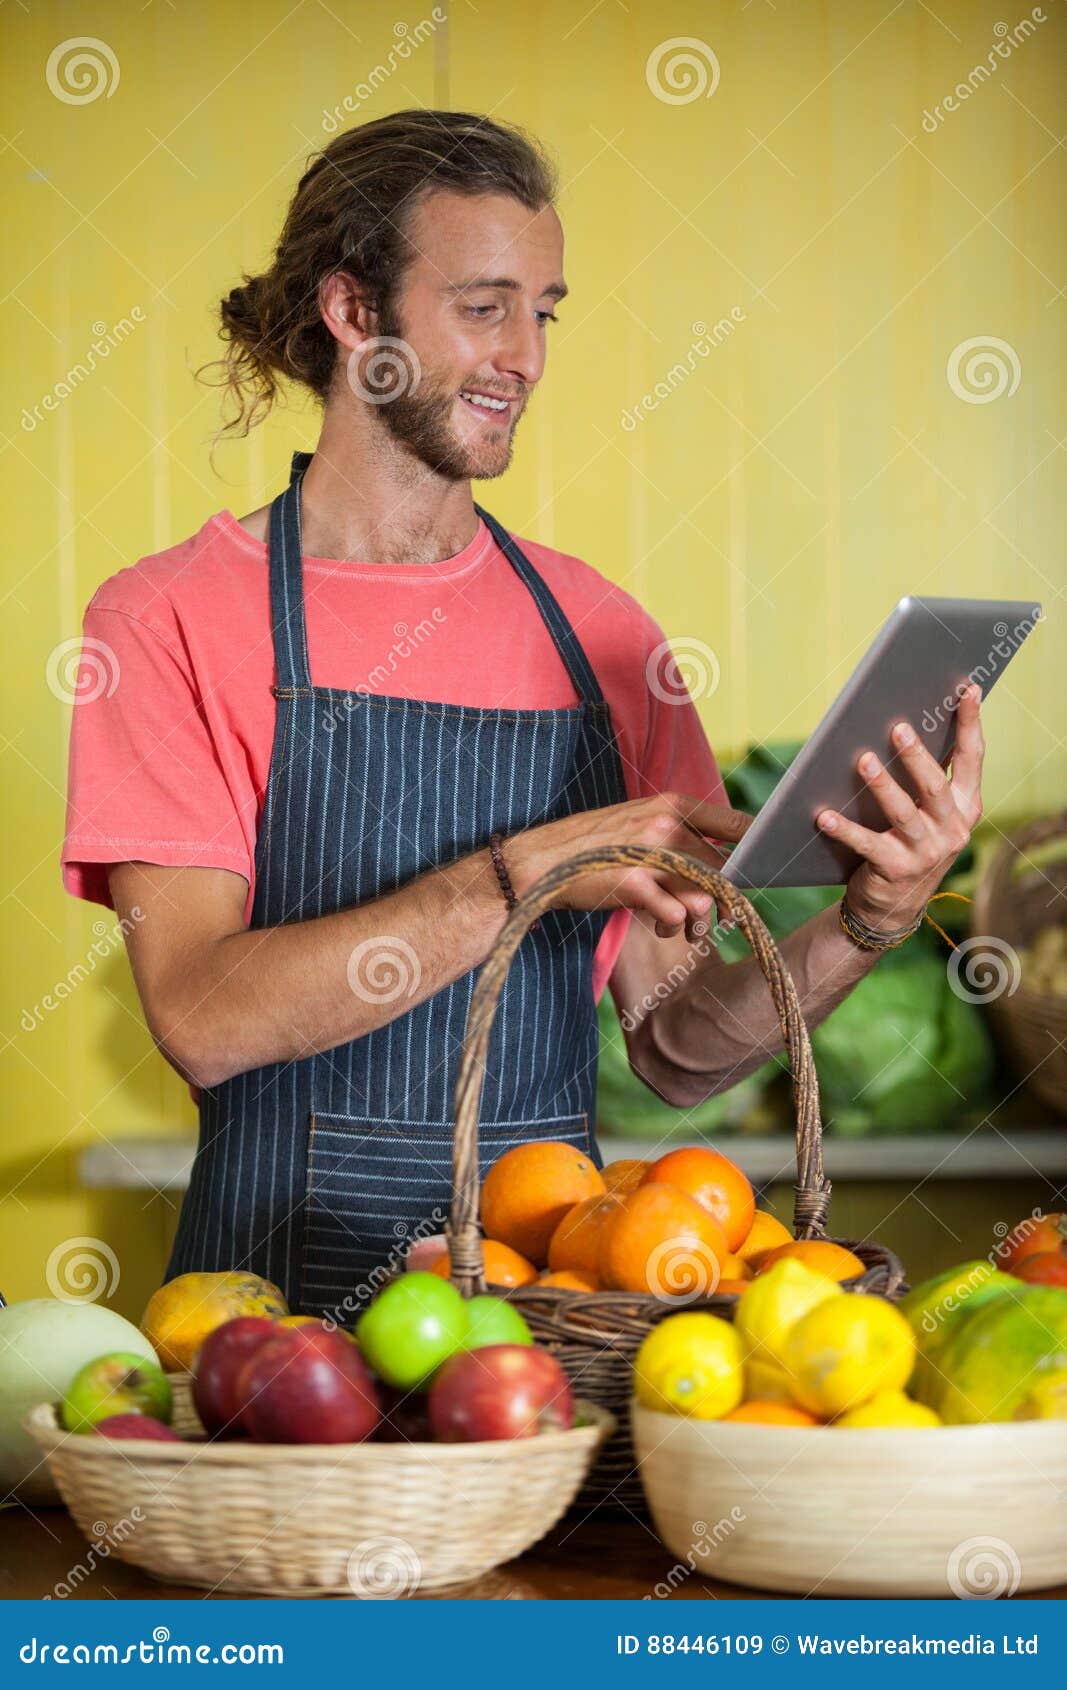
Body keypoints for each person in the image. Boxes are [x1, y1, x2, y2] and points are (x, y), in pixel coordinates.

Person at [61, 111, 984, 1316]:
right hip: (270, 1340)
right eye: (483, 306)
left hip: (546, 1334)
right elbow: (202, 1017)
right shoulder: (167, 617)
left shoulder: (602, 635)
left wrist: (867, 919)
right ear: (353, 316)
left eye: (540, 311)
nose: (527, 357)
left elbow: (674, 1045)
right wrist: (517, 876)